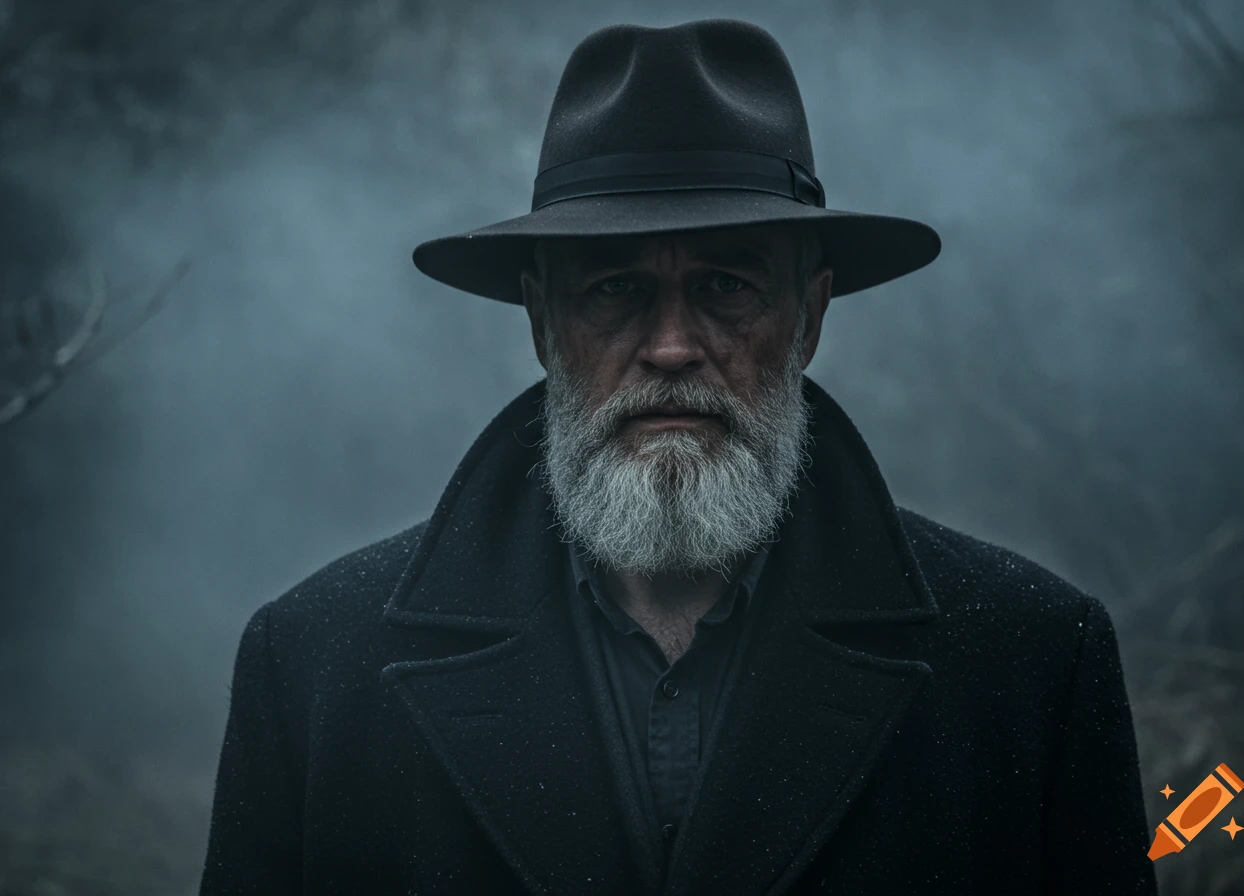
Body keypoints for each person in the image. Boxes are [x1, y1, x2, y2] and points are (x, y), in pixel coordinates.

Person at [200, 18, 1159, 895]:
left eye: (726, 285)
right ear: (543, 324)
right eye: (615, 289)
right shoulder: (316, 667)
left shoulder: (1031, 666)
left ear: (809, 318)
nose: (670, 346)